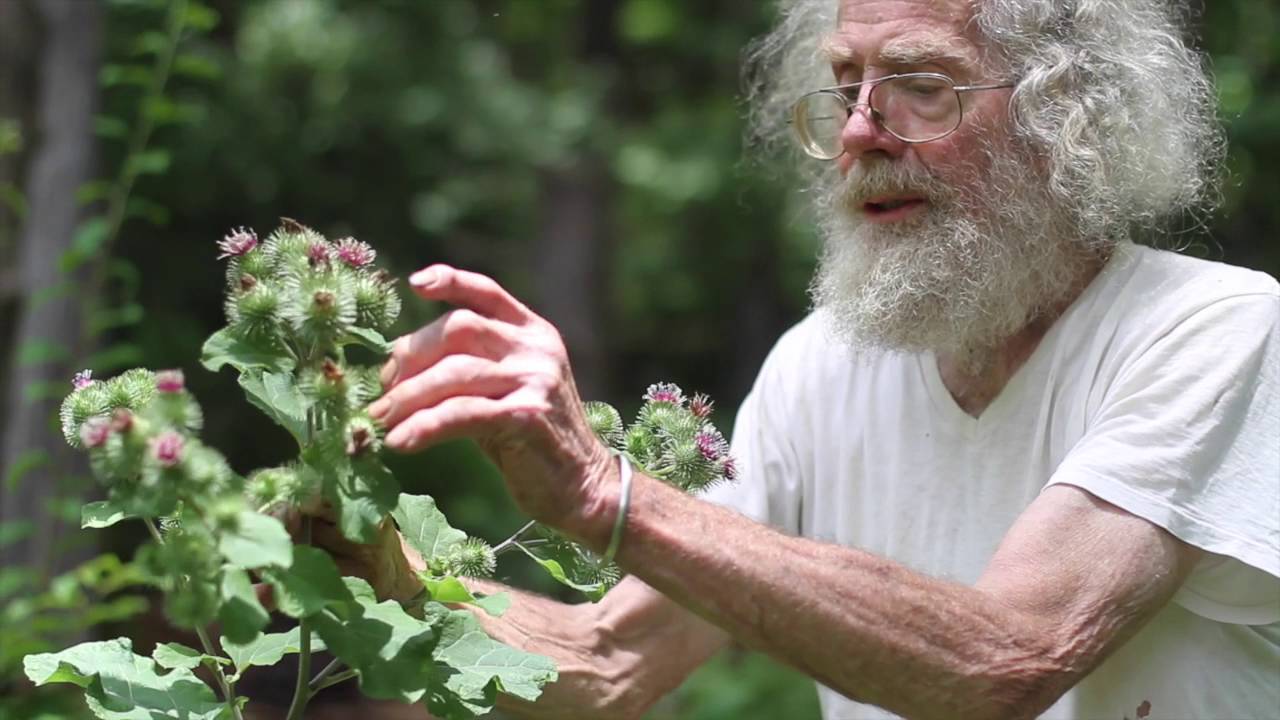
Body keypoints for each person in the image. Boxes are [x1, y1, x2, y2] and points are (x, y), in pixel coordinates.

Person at [332, 0, 1280, 718]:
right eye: (844, 86)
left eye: (921, 85)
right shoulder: (820, 364)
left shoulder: (1212, 328)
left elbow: (1007, 661)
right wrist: (371, 563)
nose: (861, 131)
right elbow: (606, 666)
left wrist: (600, 490)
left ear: (1062, 113)